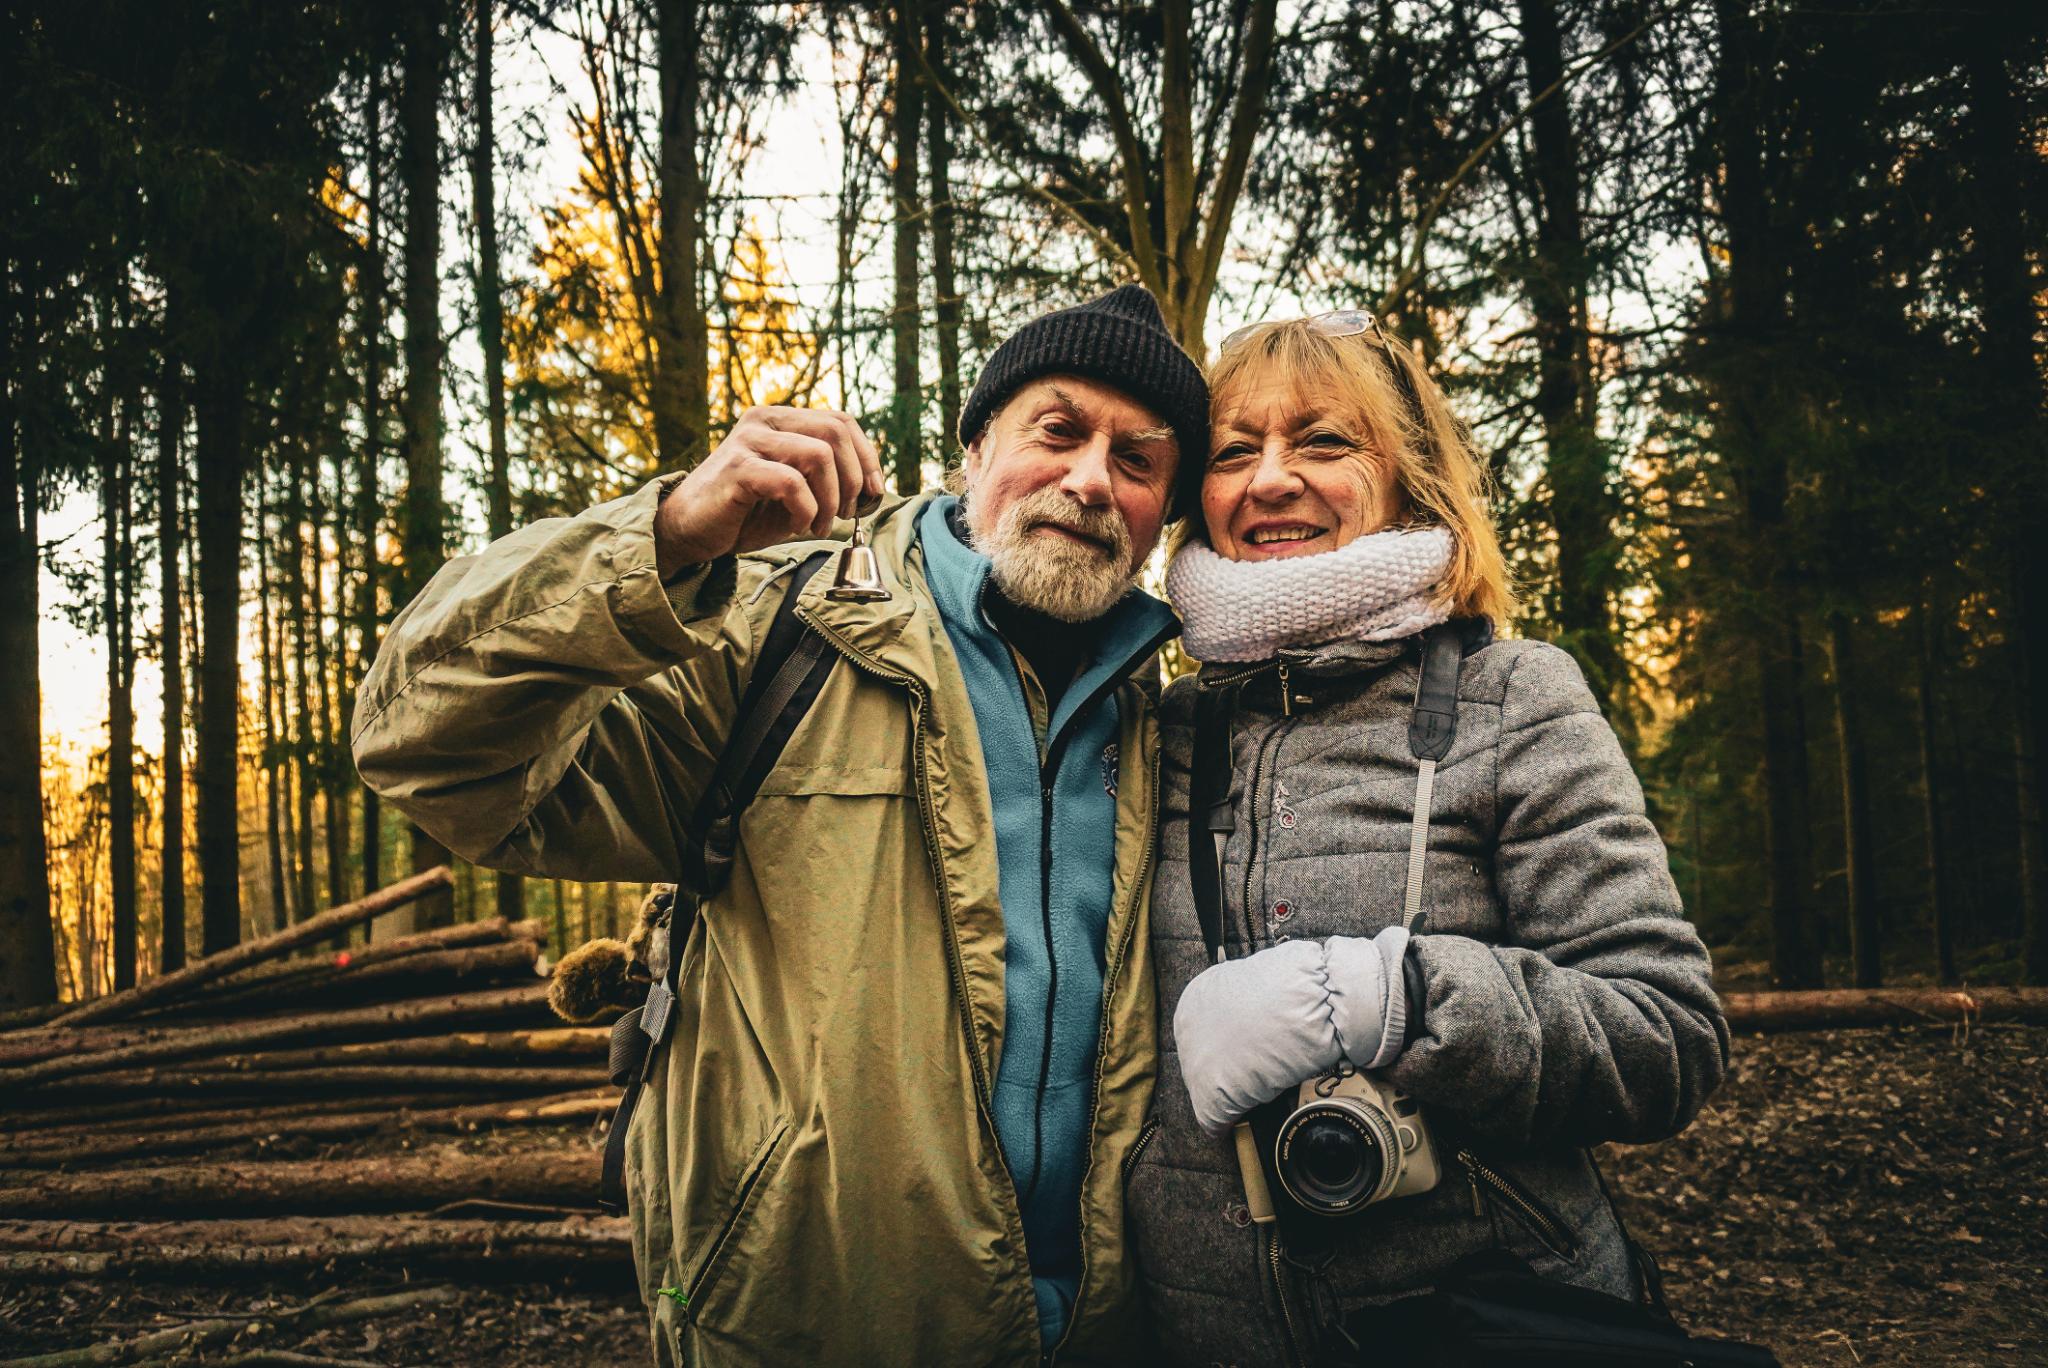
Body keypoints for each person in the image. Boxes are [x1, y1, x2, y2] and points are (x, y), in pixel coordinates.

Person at [350, 285, 1206, 1366]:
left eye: (1136, 462)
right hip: (806, 1321)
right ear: (977, 447)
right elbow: (418, 741)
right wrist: (661, 538)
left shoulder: (1167, 719)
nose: (1090, 479)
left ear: (1162, 515)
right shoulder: (781, 630)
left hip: (1103, 1332)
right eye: (1058, 430)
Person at [1125, 312, 1730, 1366]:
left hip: (1477, 1321)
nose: (1271, 479)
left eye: (1323, 441)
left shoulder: (1513, 697)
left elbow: (1666, 1035)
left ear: (1409, 477)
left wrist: (1394, 997)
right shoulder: (1157, 731)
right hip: (1202, 1334)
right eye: (1233, 451)